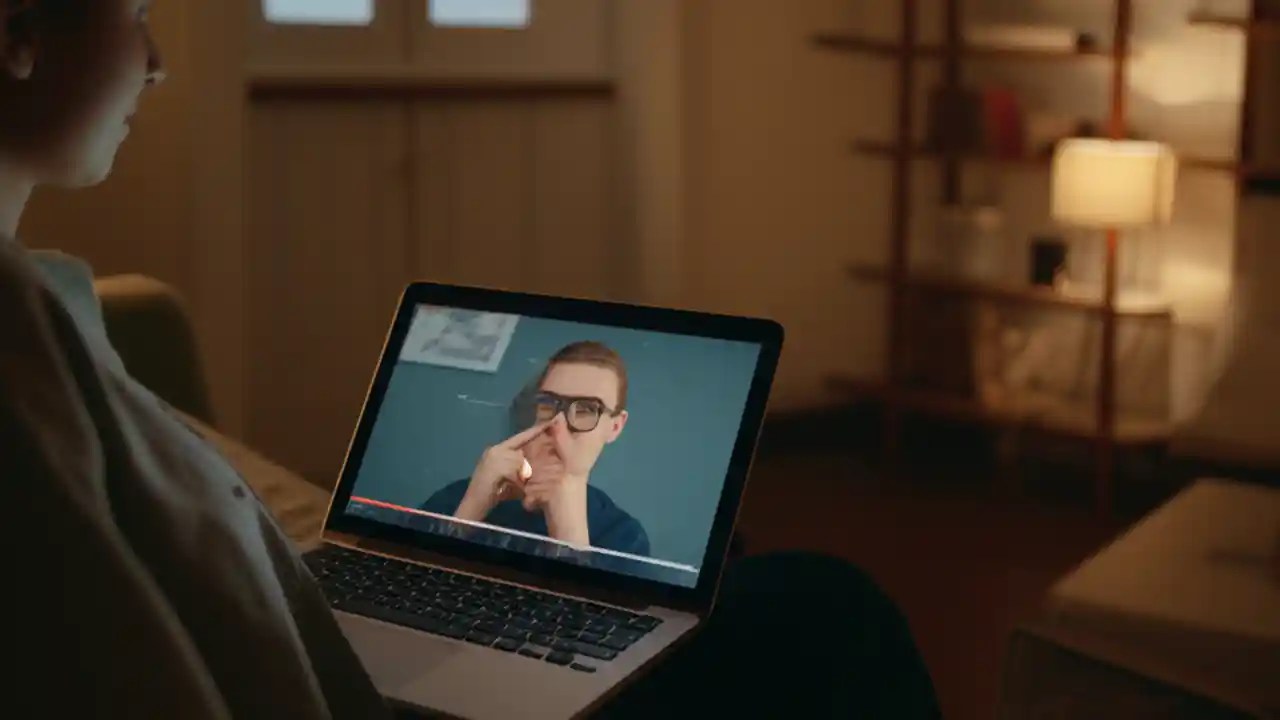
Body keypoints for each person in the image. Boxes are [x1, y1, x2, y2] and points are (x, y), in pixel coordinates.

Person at [2, 1, 940, 717]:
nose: (159, 62)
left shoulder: (619, 527)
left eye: (586, 412)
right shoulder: (25, 337)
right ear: (20, 34)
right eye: (137, 16)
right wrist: (474, 509)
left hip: (425, 622)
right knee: (832, 604)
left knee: (747, 580)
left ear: (616, 428)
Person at [421, 341, 650, 556]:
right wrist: (468, 513)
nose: (557, 426)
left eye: (585, 410)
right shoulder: (456, 497)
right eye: (549, 403)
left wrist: (570, 536)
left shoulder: (624, 537)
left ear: (615, 427)